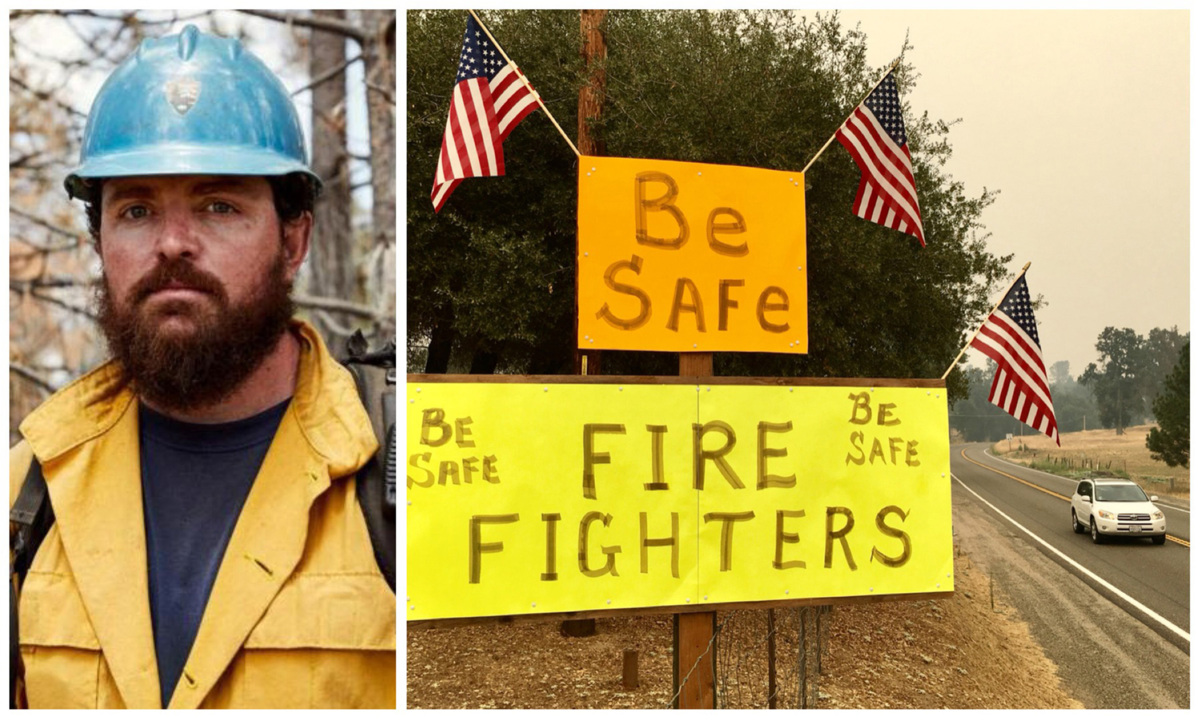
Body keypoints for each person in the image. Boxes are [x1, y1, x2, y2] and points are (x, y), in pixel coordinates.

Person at [8, 25, 395, 709]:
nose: (173, 245)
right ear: (100, 240)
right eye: (136, 209)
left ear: (294, 238)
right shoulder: (25, 494)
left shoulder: (396, 475)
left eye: (219, 206)